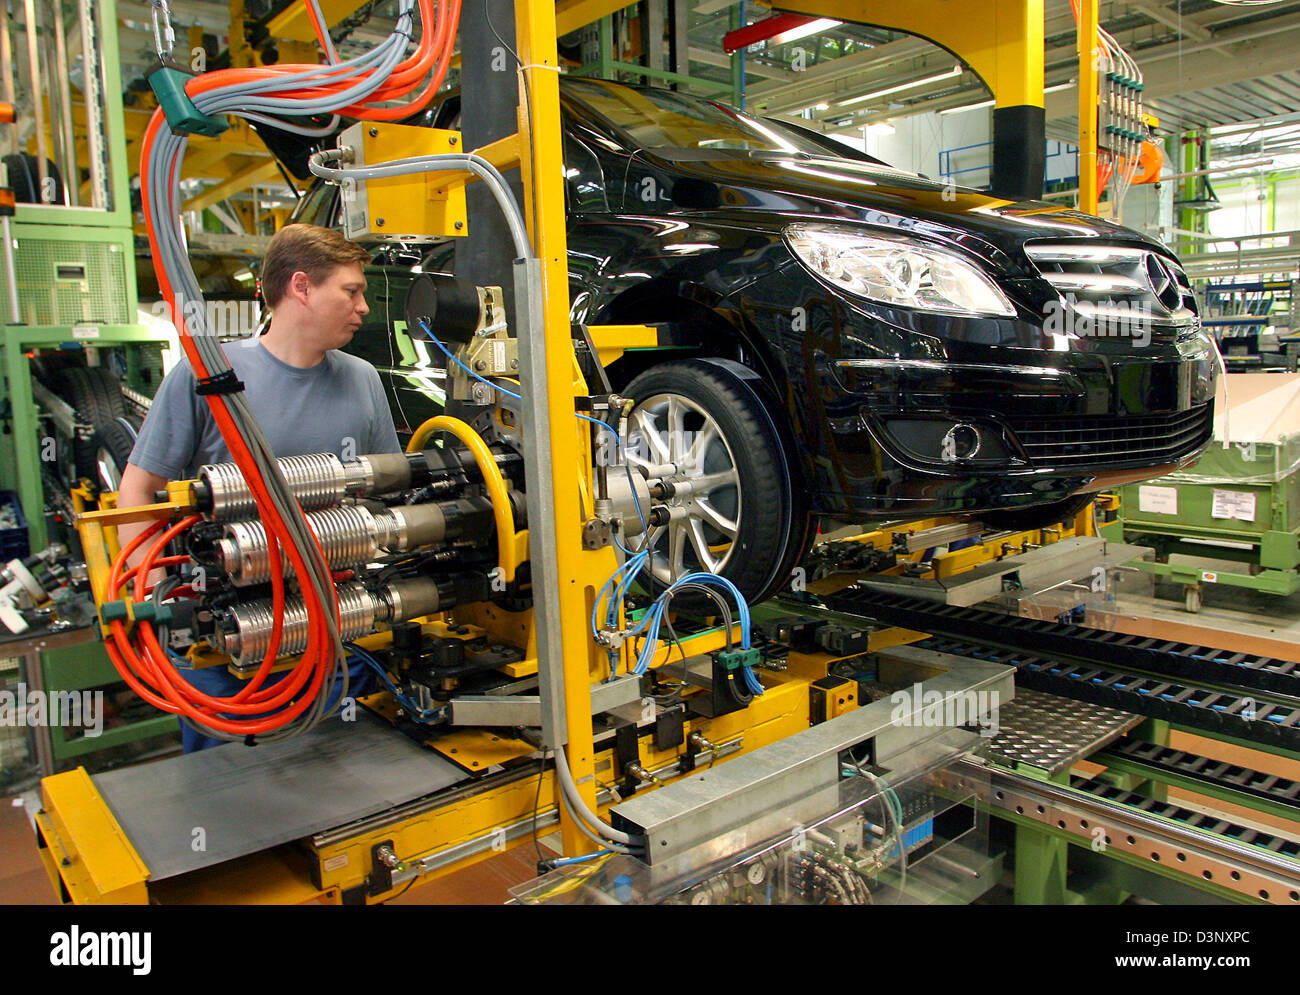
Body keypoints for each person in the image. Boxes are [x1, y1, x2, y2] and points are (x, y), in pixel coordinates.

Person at [117, 223, 402, 750]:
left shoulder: (362, 377)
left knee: (347, 787)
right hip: (230, 645)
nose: (364, 306)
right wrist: (146, 594)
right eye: (351, 291)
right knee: (233, 807)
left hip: (337, 633)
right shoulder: (209, 374)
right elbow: (137, 489)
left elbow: (391, 491)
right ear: (301, 287)